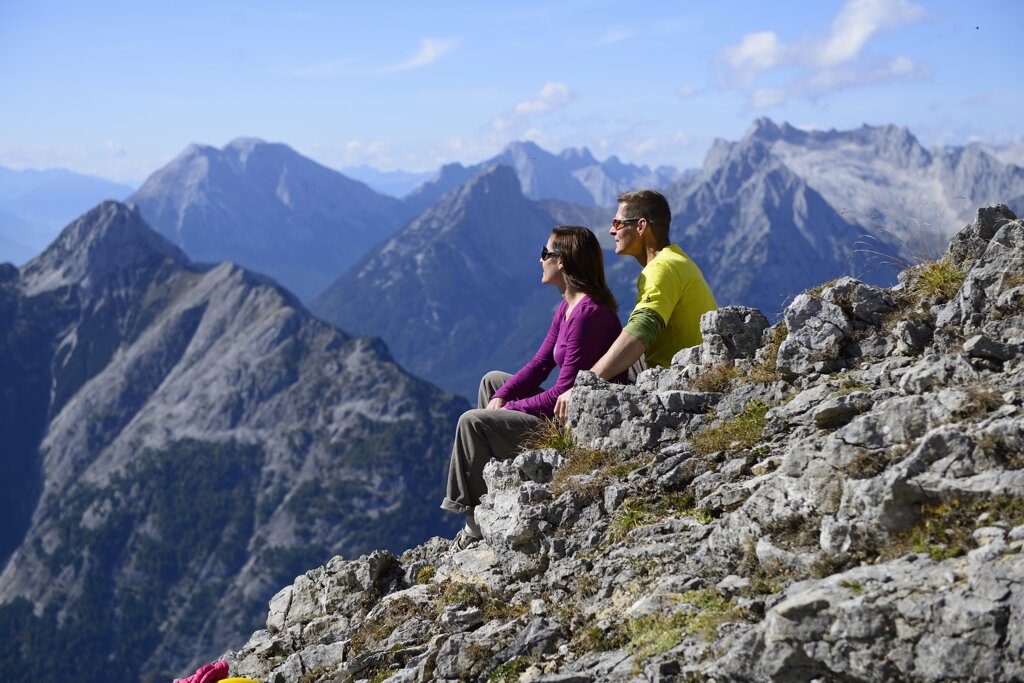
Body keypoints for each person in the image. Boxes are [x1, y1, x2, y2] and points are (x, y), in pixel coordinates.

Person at [441, 225, 628, 545]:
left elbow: (563, 393)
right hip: (562, 413)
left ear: (564, 262)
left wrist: (507, 408)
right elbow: (540, 365)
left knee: (471, 422)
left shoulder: (588, 314)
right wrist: (501, 396)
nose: (540, 260)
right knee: (493, 381)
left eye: (545, 254)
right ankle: (499, 488)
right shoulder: (568, 307)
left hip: (577, 427)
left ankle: (474, 522)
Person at [553, 189, 717, 422]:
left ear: (641, 227)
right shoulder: (677, 260)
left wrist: (585, 384)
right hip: (687, 375)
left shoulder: (662, 268)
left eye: (618, 224)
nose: (611, 230)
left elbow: (641, 329)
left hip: (678, 389)